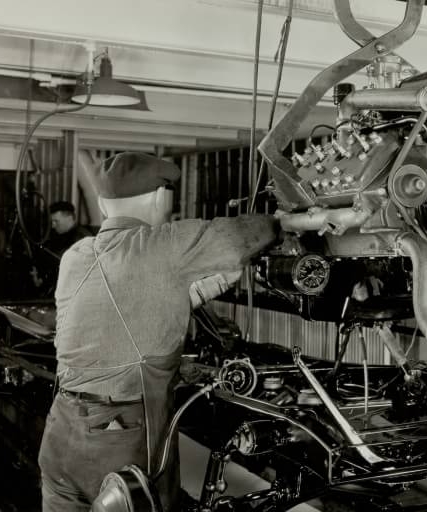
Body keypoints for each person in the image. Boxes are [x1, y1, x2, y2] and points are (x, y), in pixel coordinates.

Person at [37, 152, 281, 512]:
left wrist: (189, 295)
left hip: (62, 431)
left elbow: (116, 312)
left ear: (102, 204)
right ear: (160, 198)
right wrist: (291, 218)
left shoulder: (76, 254)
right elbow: (246, 235)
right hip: (118, 439)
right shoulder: (163, 243)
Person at [31, 202, 94, 294]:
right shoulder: (57, 237)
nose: (53, 226)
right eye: (52, 222)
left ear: (69, 218)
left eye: (56, 221)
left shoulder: (83, 239)